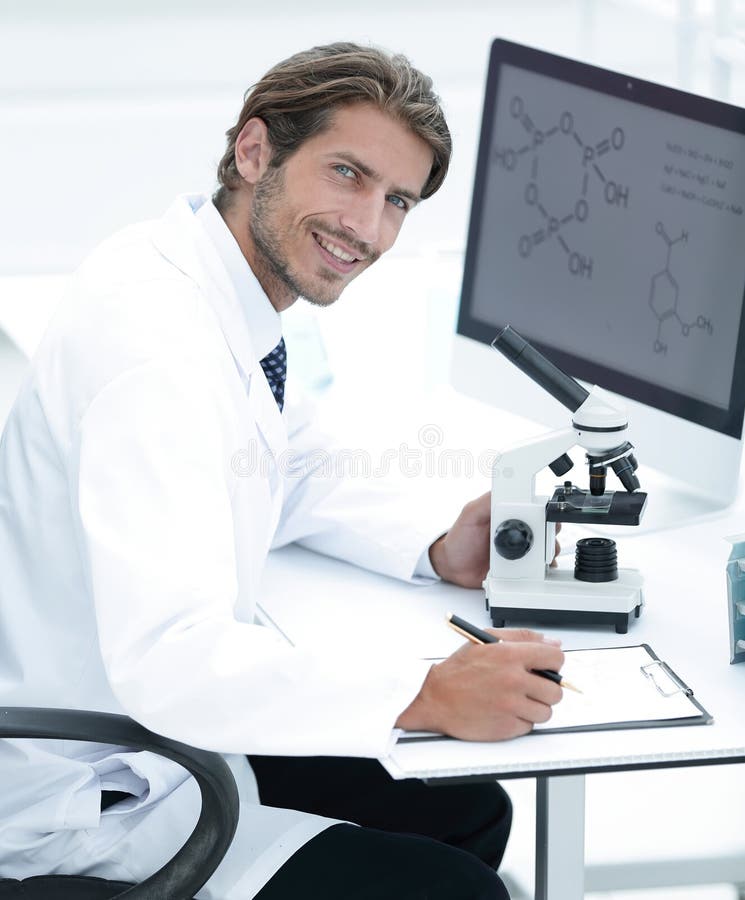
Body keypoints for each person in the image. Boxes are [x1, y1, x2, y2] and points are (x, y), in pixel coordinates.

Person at [0, 42, 565, 898]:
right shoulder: (157, 350)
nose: (367, 227)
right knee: (455, 888)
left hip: (147, 726)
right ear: (254, 150)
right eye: (347, 174)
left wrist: (437, 545)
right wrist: (421, 693)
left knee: (465, 807)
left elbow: (277, 460)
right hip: (96, 780)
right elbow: (167, 659)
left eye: (396, 201)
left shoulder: (203, 275)